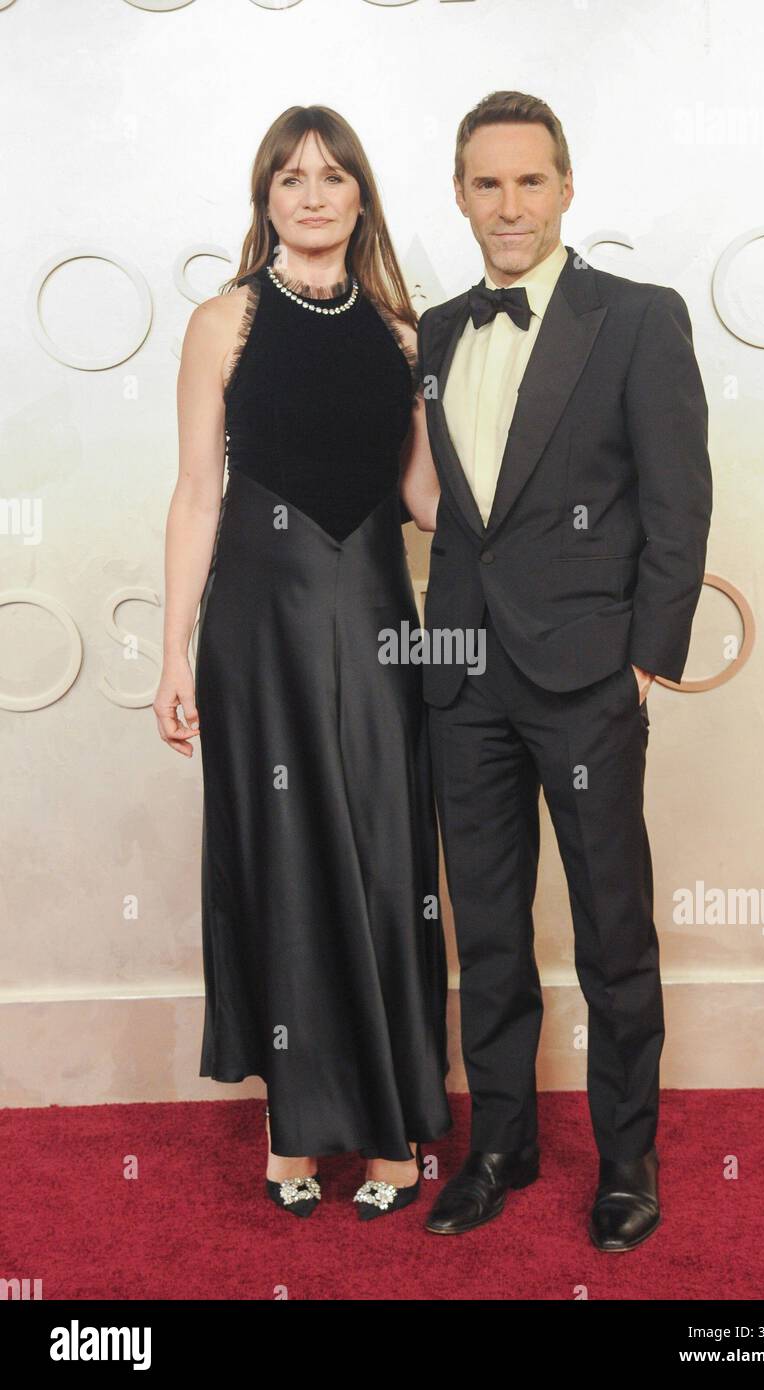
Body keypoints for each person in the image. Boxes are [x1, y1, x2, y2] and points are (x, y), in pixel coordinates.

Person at [418, 91, 712, 1248]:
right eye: (487, 183)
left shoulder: (636, 316)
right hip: (464, 679)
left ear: (566, 187)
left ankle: (627, 1160)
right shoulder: (438, 332)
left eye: (529, 180)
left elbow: (679, 502)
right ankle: (500, 1143)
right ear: (460, 194)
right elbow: (451, 514)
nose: (509, 205)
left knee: (611, 928)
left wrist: (645, 662)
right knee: (486, 928)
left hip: (589, 675)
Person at [153, 104, 451, 1222]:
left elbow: (425, 502)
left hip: (378, 620)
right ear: (265, 198)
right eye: (290, 178)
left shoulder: (405, 334)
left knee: (385, 864)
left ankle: (387, 1127)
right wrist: (174, 653)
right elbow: (196, 492)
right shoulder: (221, 322)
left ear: (362, 194)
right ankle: (294, 1122)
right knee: (280, 860)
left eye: (332, 176)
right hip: (258, 632)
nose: (313, 194)